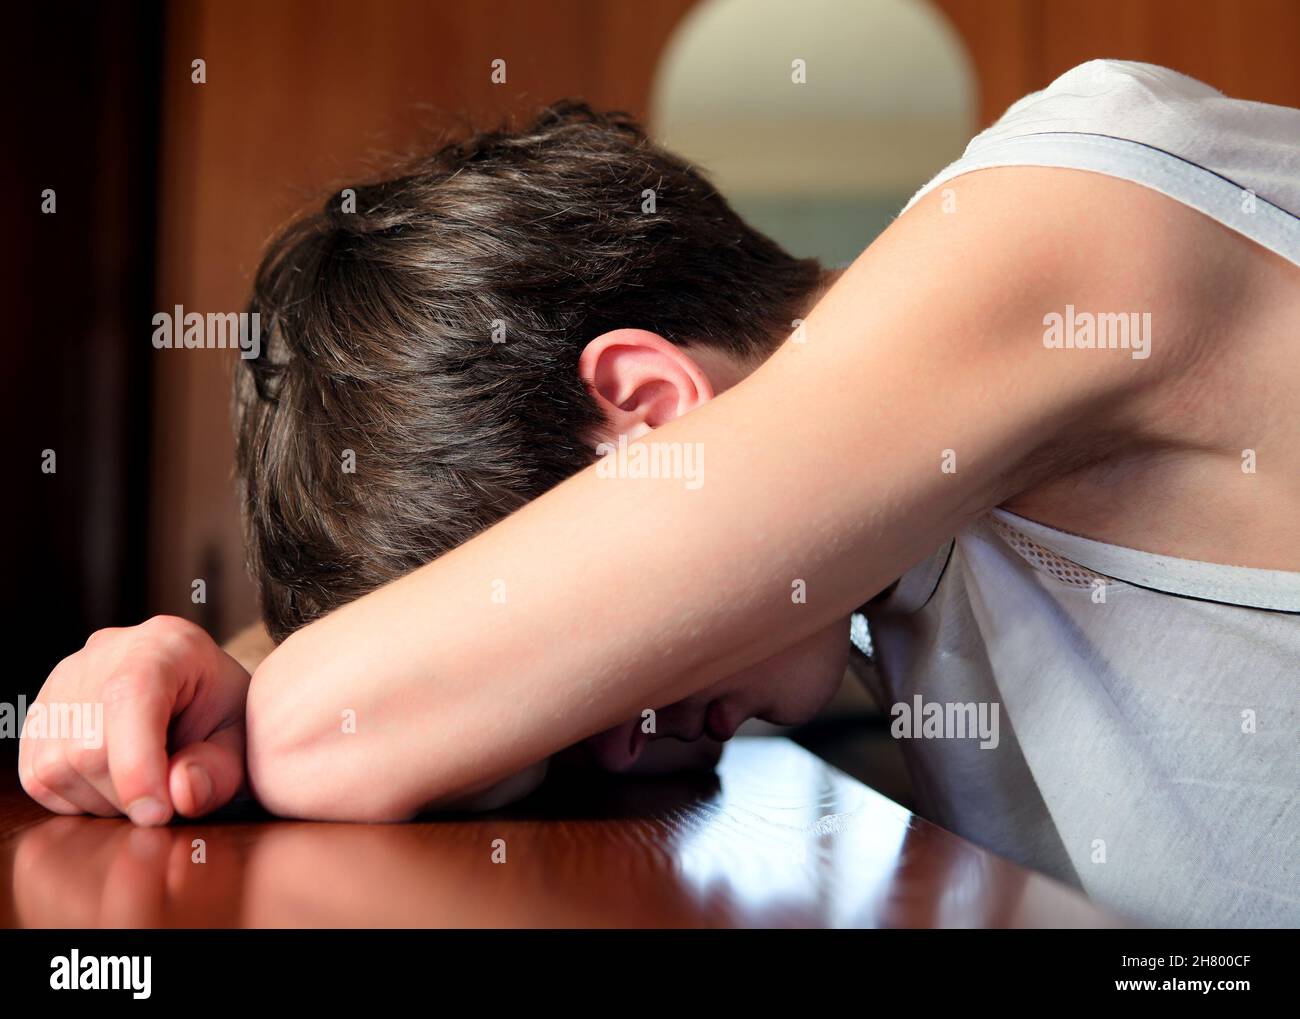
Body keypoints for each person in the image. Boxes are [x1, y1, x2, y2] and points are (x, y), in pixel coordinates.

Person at [21, 61, 1299, 926]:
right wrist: (204, 667)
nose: (622, 735)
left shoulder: (1067, 217)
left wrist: (264, 702)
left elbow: (324, 730)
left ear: (649, 409)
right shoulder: (895, 533)